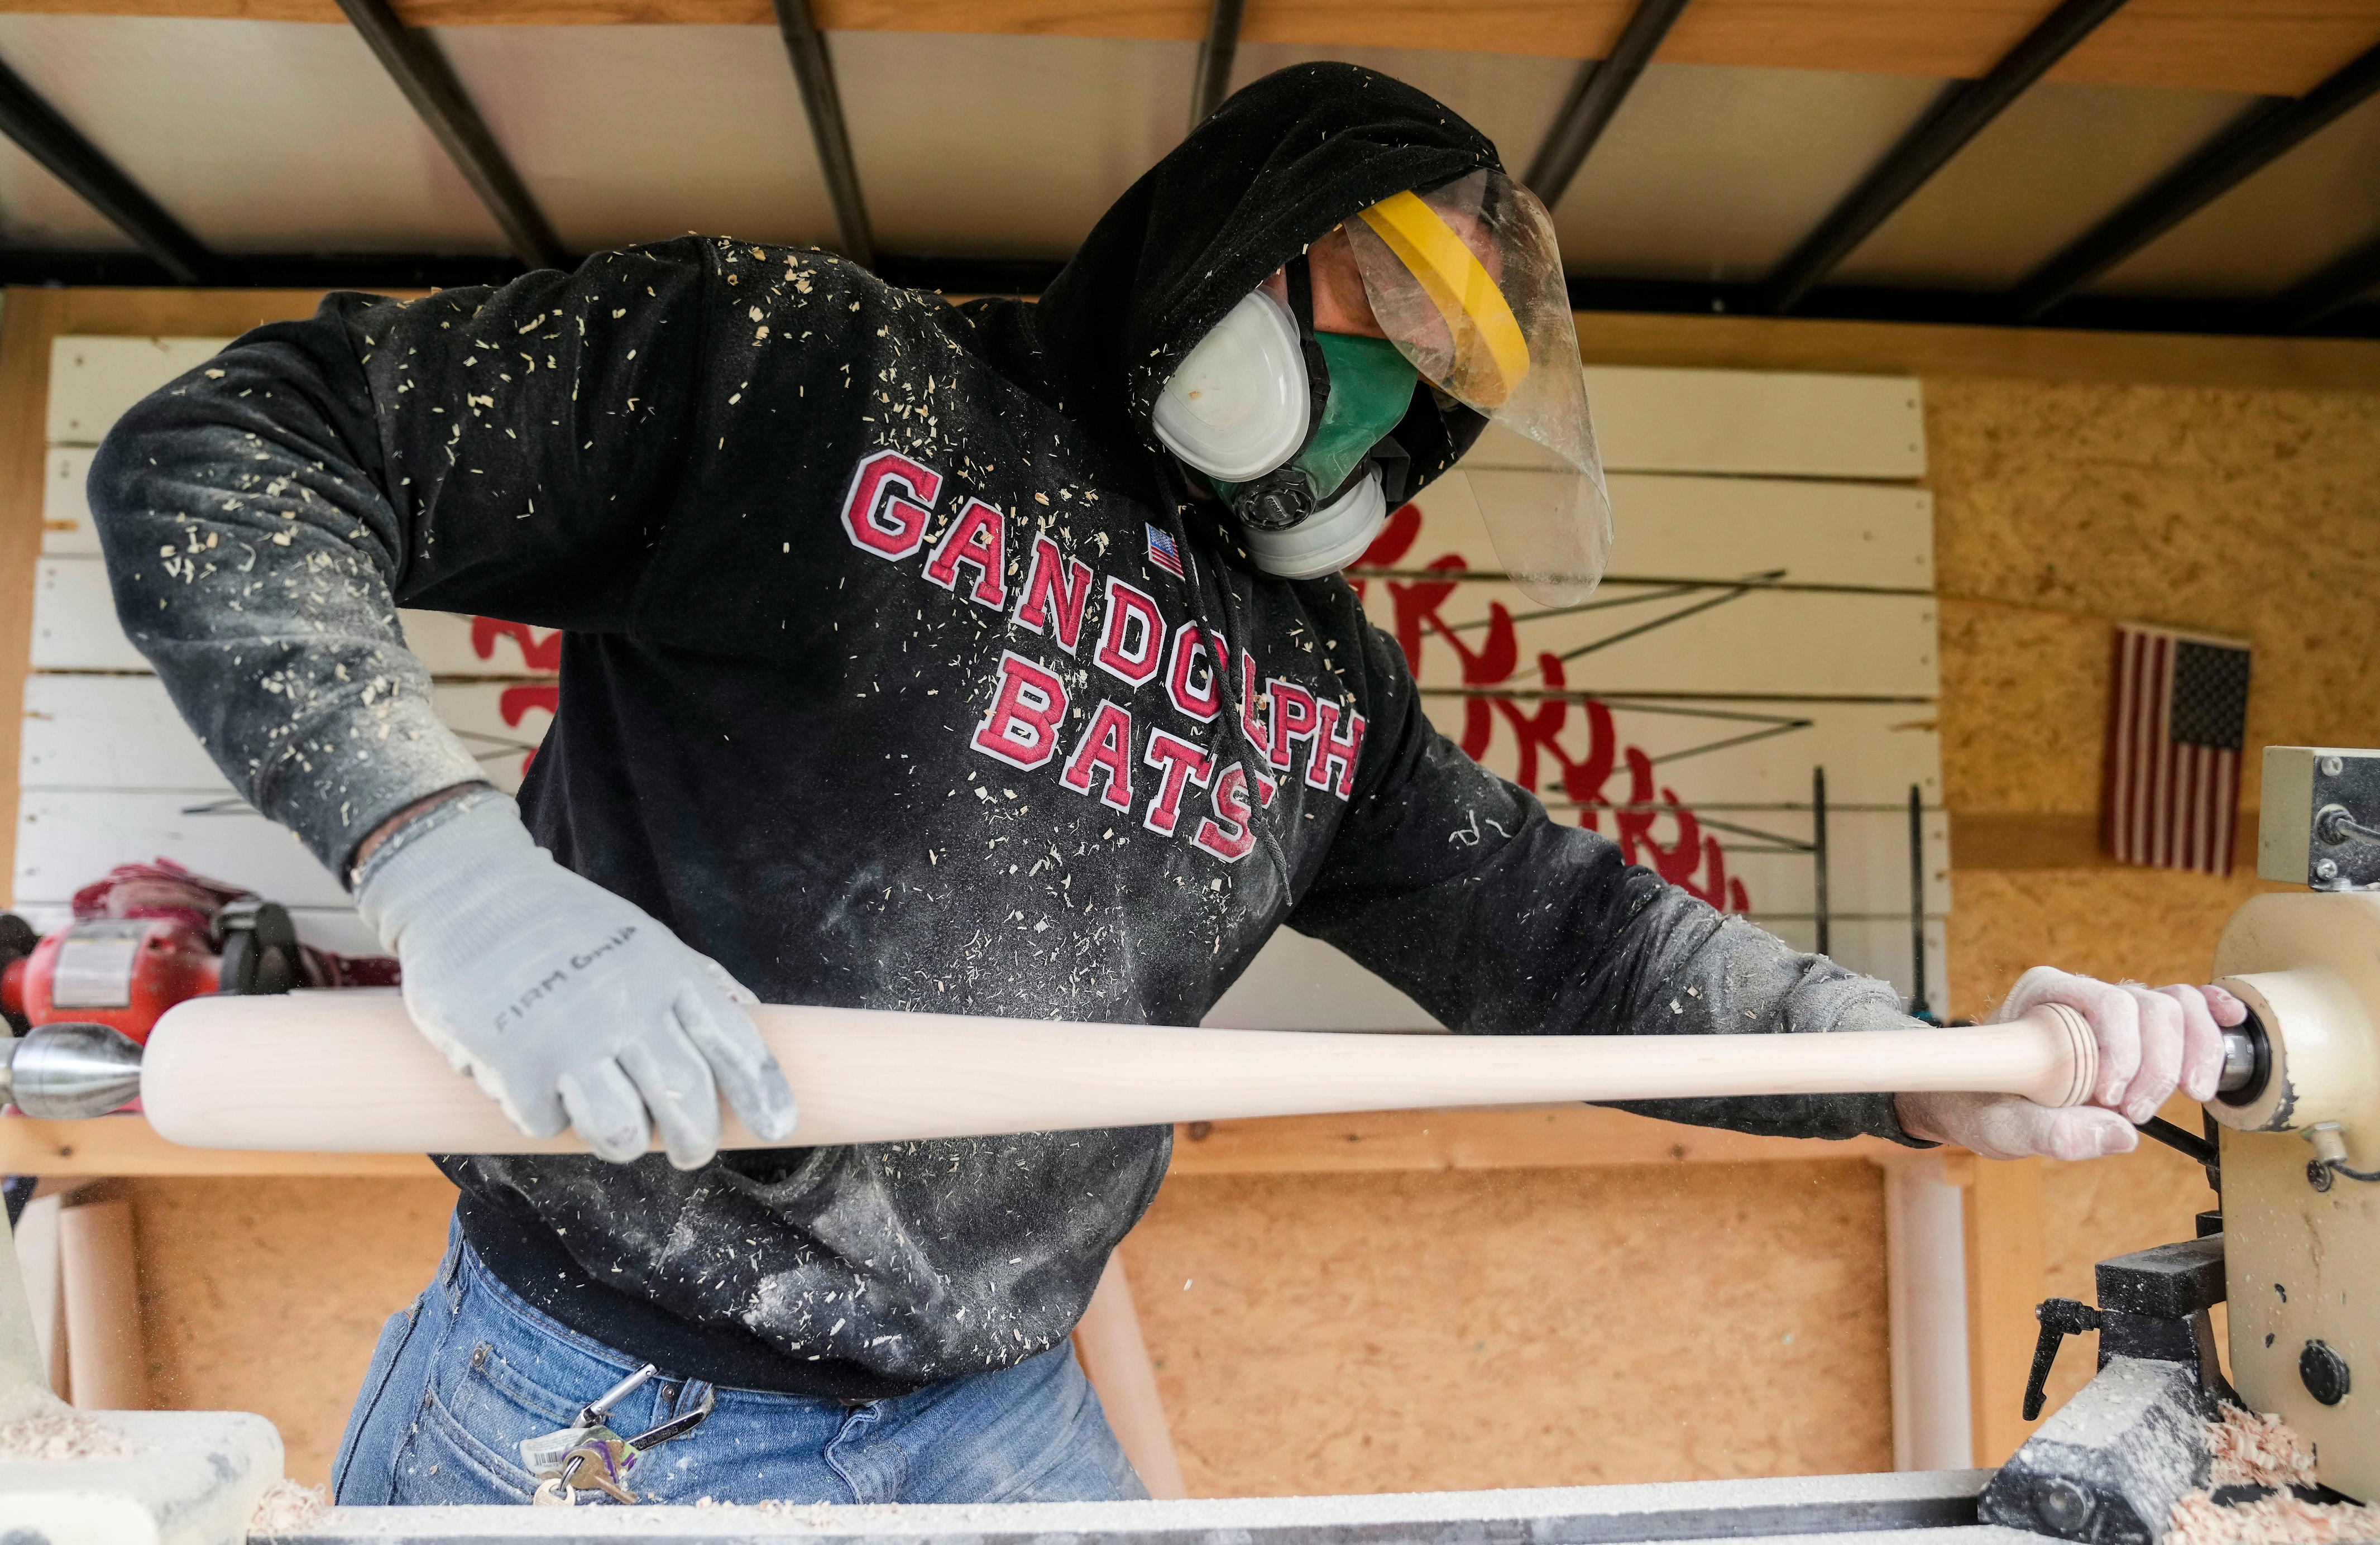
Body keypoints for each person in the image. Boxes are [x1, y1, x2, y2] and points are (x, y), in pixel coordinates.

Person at [90, 64, 2240, 1508]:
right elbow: (240, 451)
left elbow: (1574, 940)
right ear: (1229, 238)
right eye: (1370, 305)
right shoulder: (804, 379)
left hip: (993, 1421)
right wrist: (440, 857)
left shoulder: (1318, 684)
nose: (1391, 394)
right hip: (603, 1411)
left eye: (1444, 370)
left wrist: (1923, 1067)